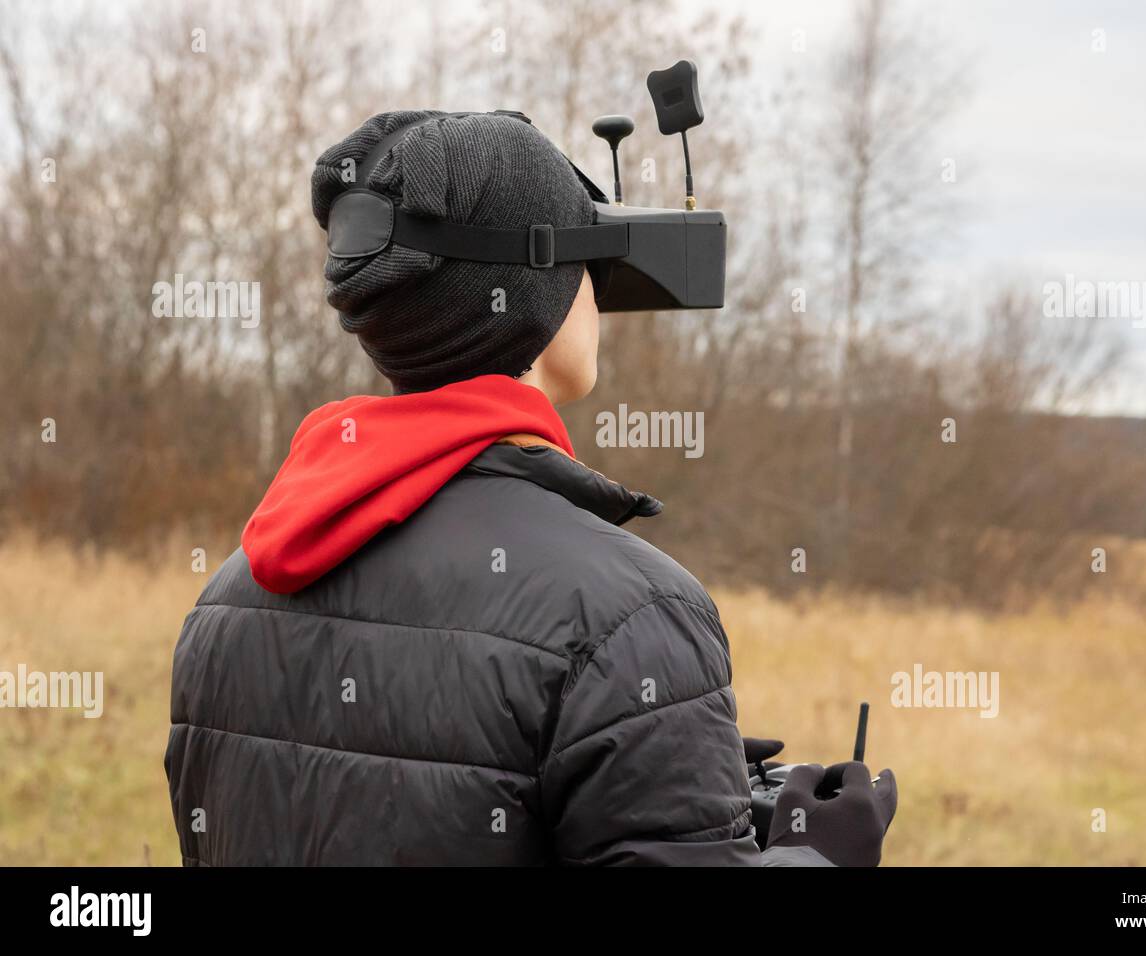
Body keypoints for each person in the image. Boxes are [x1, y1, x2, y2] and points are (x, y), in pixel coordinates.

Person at [164, 110, 897, 865]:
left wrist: (651, 757)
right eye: (592, 267)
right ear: (533, 290)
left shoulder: (232, 593)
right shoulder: (627, 615)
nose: (598, 298)